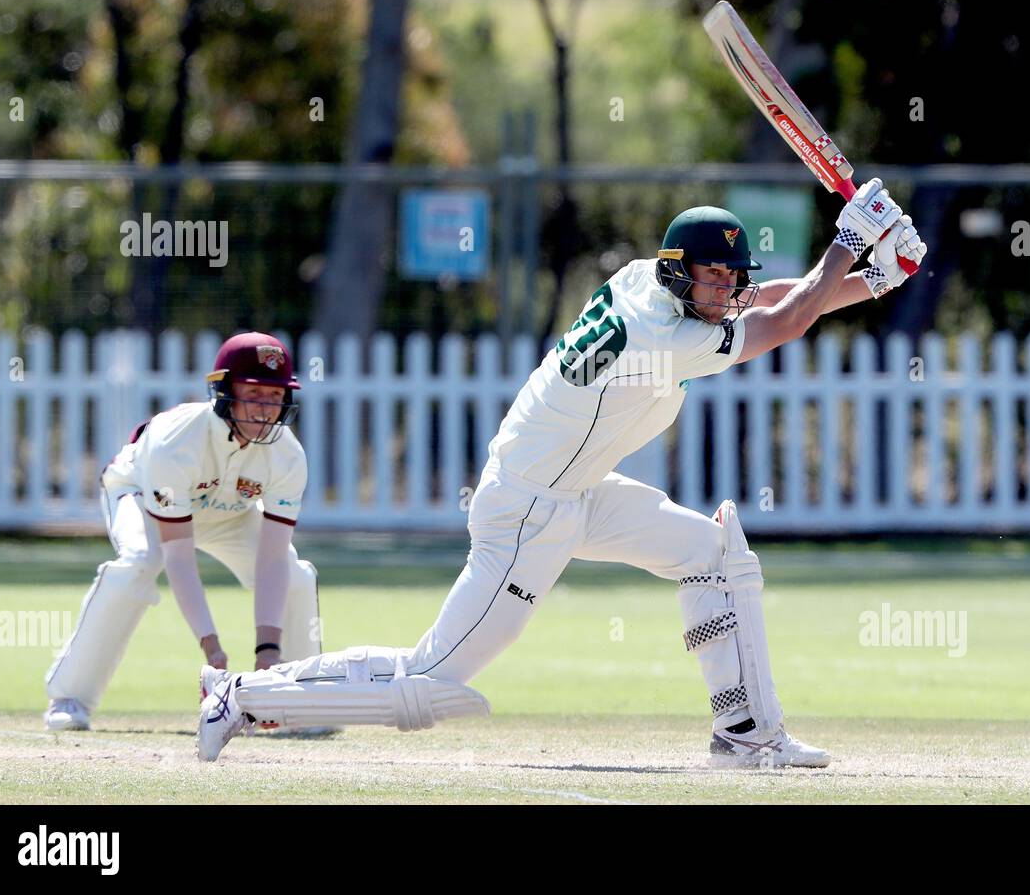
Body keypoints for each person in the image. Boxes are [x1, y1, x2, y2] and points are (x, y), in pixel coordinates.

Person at [198, 179, 927, 767]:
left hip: (576, 490)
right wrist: (847, 245)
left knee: (714, 556)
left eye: (731, 276)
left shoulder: (649, 280)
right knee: (428, 682)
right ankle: (243, 697)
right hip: (527, 512)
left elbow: (765, 303)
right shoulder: (659, 336)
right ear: (681, 274)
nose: (726, 289)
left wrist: (875, 276)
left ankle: (746, 734)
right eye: (713, 277)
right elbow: (782, 322)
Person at [45, 332, 324, 731]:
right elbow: (178, 554)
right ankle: (70, 698)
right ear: (225, 391)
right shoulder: (176, 441)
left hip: (227, 513)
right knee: (141, 561)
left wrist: (268, 652)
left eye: (275, 397)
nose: (265, 410)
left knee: (295, 574)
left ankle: (300, 707)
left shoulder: (287, 455)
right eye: (254, 393)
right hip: (140, 495)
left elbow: (273, 558)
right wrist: (212, 650)